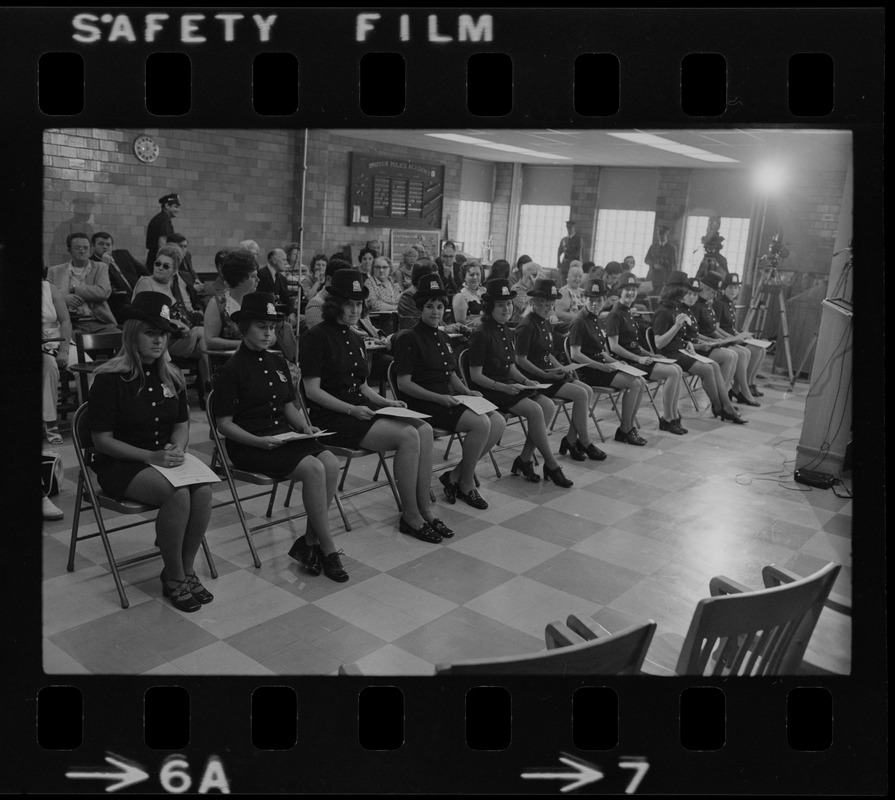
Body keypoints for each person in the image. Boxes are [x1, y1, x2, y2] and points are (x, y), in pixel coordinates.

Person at [300, 269, 452, 544]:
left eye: (359, 305)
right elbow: (312, 391)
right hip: (331, 417)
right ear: (335, 305)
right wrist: (351, 410)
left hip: (360, 409)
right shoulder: (316, 337)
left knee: (424, 429)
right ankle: (410, 515)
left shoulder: (356, 337)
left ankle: (423, 507)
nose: (355, 310)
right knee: (408, 436)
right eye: (349, 304)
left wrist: (386, 402)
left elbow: (361, 386)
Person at [88, 292, 214, 612]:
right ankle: (173, 576)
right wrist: (150, 457)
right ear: (132, 334)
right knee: (178, 495)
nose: (159, 341)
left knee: (201, 491)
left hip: (162, 459)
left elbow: (182, 424)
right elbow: (102, 440)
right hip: (122, 463)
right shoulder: (109, 379)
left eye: (163, 334)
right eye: (150, 332)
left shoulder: (170, 375)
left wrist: (178, 447)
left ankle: (185, 569)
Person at [212, 293, 347, 582]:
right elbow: (223, 424)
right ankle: (328, 548)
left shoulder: (277, 362)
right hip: (250, 443)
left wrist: (305, 427)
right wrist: (258, 441)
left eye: (272, 328)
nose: (268, 333)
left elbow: (288, 405)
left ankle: (309, 543)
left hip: (281, 436)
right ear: (244, 328)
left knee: (331, 462)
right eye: (261, 326)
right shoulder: (231, 369)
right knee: (313, 469)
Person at [393, 274, 506, 510]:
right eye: (430, 307)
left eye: (440, 306)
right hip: (423, 403)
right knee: (481, 424)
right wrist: (440, 398)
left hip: (447, 399)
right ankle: (466, 484)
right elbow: (404, 384)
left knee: (498, 422)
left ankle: (453, 476)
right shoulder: (408, 338)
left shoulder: (443, 337)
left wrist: (467, 391)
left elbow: (451, 374)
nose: (436, 312)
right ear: (420, 308)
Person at [467, 279, 574, 488]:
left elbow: (510, 366)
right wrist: (504, 387)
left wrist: (526, 380)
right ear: (490, 307)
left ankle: (525, 459)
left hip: (508, 386)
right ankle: (551, 465)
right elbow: (476, 376)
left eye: (508, 304)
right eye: (500, 304)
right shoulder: (481, 333)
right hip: (489, 390)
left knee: (548, 406)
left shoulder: (505, 329)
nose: (506, 308)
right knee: (535, 410)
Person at [514, 278, 606, 462]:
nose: (549, 308)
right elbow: (520, 360)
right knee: (580, 394)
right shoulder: (526, 325)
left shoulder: (544, 321)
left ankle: (572, 439)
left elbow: (547, 354)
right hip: (535, 377)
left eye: (551, 304)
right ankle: (584, 441)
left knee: (586, 390)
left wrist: (562, 367)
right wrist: (544, 374)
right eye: (545, 304)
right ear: (534, 303)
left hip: (549, 372)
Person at [652, 277, 748, 424]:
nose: (689, 297)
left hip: (682, 350)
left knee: (714, 366)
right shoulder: (664, 311)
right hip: (671, 354)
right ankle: (721, 406)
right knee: (709, 368)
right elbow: (660, 343)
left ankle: (724, 405)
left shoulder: (677, 309)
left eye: (693, 294)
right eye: (686, 294)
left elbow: (683, 337)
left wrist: (689, 344)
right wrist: (688, 340)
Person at [605, 274, 688, 435]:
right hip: (626, 362)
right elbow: (614, 347)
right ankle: (668, 418)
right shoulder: (615, 314)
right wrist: (639, 358)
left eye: (634, 290)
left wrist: (651, 354)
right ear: (620, 291)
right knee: (672, 372)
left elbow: (634, 345)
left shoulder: (628, 311)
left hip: (639, 358)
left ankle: (672, 416)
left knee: (676, 369)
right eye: (627, 290)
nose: (631, 293)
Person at [568, 279, 648, 446]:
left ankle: (629, 426)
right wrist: (602, 366)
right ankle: (625, 429)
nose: (595, 303)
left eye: (598, 300)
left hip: (602, 366)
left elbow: (601, 351)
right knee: (634, 383)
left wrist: (616, 362)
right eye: (591, 299)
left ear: (604, 300)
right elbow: (575, 354)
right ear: (585, 299)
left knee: (640, 380)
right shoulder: (580, 321)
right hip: (589, 370)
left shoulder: (596, 319)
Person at [133, 245, 209, 388]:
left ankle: (207, 390)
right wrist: (175, 323)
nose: (160, 268)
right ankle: (209, 389)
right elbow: (145, 315)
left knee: (206, 350)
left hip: (177, 336)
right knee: (203, 335)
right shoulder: (146, 282)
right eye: (158, 264)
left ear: (174, 271)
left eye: (165, 266)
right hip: (157, 336)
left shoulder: (170, 286)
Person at [692, 271, 759, 406]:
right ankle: (721, 396)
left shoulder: (707, 305)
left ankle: (728, 391)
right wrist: (715, 340)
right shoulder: (697, 306)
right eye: (709, 290)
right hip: (702, 345)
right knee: (733, 355)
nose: (712, 294)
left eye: (713, 291)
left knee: (740, 353)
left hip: (712, 342)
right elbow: (695, 332)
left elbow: (713, 330)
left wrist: (726, 339)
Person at [47, 232, 119, 334]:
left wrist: (75, 288)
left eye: (86, 248)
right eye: (78, 248)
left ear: (91, 250)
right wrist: (63, 299)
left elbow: (103, 292)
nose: (82, 251)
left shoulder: (100, 267)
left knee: (121, 339)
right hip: (71, 324)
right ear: (69, 250)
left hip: (100, 322)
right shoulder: (54, 271)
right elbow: (46, 297)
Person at [715, 272, 765, 399]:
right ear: (724, 288)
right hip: (725, 339)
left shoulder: (730, 304)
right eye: (730, 287)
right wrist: (733, 338)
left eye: (736, 288)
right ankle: (744, 386)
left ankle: (751, 382)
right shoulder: (719, 304)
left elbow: (731, 328)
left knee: (762, 349)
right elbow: (717, 327)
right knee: (754, 351)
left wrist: (742, 335)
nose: (733, 291)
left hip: (732, 337)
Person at [203, 249, 259, 354]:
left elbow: (271, 335)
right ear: (240, 278)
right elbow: (210, 341)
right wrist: (245, 344)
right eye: (253, 276)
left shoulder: (256, 301)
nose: (258, 279)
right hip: (229, 361)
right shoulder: (217, 303)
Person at [42, 273, 72, 445]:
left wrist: (64, 350)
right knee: (49, 366)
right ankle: (51, 422)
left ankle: (92, 418)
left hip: (59, 339)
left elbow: (66, 321)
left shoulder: (50, 289)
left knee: (88, 366)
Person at [166, 233, 204, 307]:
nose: (183, 250)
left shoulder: (187, 255)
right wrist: (192, 288)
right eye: (180, 246)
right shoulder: (170, 266)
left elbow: (191, 271)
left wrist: (197, 280)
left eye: (185, 246)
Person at [146, 192, 180, 270]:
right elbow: (162, 243)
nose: (178, 210)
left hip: (154, 259)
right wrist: (166, 263)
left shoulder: (161, 218)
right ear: (167, 206)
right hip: (159, 262)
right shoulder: (164, 220)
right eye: (175, 207)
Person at [452, 260, 486, 327]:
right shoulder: (460, 295)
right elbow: (461, 324)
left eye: (478, 274)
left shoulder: (484, 291)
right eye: (471, 275)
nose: (475, 277)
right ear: (464, 277)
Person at [644, 224, 676, 296]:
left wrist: (669, 279)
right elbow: (646, 260)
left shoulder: (671, 249)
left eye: (663, 234)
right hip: (652, 277)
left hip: (663, 278)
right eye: (659, 234)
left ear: (667, 235)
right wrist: (654, 264)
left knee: (659, 298)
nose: (661, 236)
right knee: (649, 297)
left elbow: (673, 265)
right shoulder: (653, 247)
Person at [557, 220, 583, 288]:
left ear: (574, 228)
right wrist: (558, 264)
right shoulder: (564, 240)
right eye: (568, 228)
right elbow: (559, 252)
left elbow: (579, 254)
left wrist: (580, 266)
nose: (569, 229)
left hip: (574, 265)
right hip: (565, 265)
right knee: (563, 284)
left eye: (570, 228)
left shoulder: (578, 239)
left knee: (573, 284)